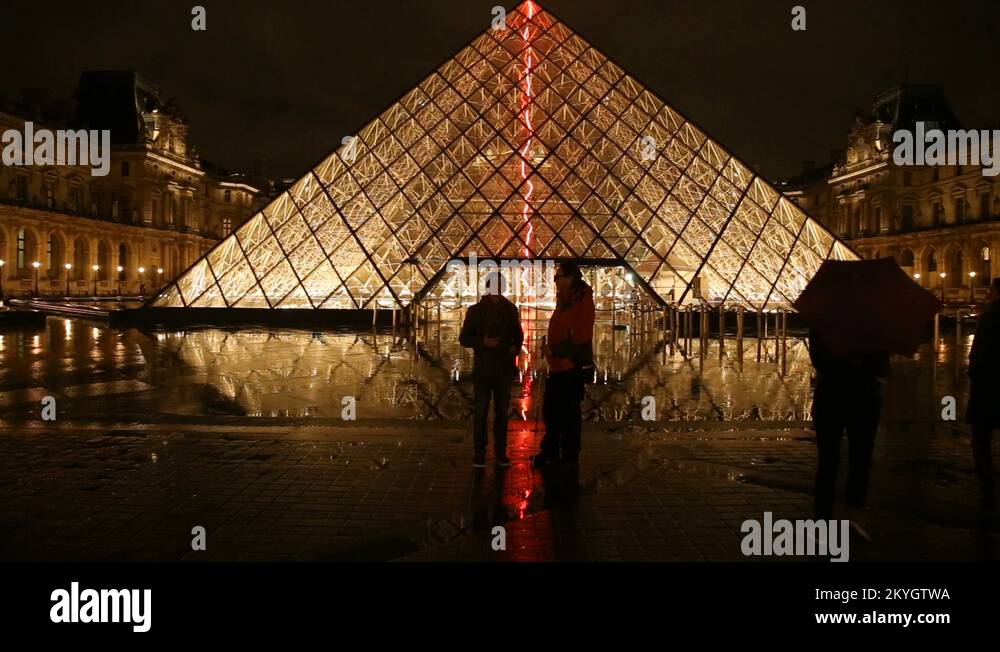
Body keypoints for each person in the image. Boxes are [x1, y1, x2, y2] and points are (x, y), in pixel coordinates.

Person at [809, 328, 890, 537]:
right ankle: (848, 516)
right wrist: (859, 361)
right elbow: (883, 368)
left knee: (835, 462)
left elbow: (819, 360)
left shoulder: (825, 321)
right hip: (859, 400)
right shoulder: (875, 326)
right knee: (855, 460)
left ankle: (825, 519)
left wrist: (851, 361)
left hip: (834, 398)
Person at [533, 262, 595, 468]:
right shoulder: (566, 300)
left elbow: (580, 337)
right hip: (558, 366)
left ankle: (567, 457)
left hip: (570, 367)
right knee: (552, 412)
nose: (555, 281)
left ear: (570, 279)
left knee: (567, 415)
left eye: (558, 277)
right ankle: (552, 452)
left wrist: (556, 350)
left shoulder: (581, 302)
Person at [459, 270, 523, 468]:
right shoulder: (475, 311)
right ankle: (481, 452)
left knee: (501, 413)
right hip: (484, 369)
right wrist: (483, 342)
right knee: (481, 413)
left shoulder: (510, 310)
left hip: (503, 368)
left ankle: (499, 451)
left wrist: (515, 347)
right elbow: (464, 338)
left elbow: (518, 336)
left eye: (500, 285)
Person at [968, 277, 1000, 510]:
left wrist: (973, 372)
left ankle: (986, 484)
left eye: (991, 290)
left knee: (981, 437)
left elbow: (979, 353)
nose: (987, 294)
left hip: (987, 385)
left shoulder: (989, 318)